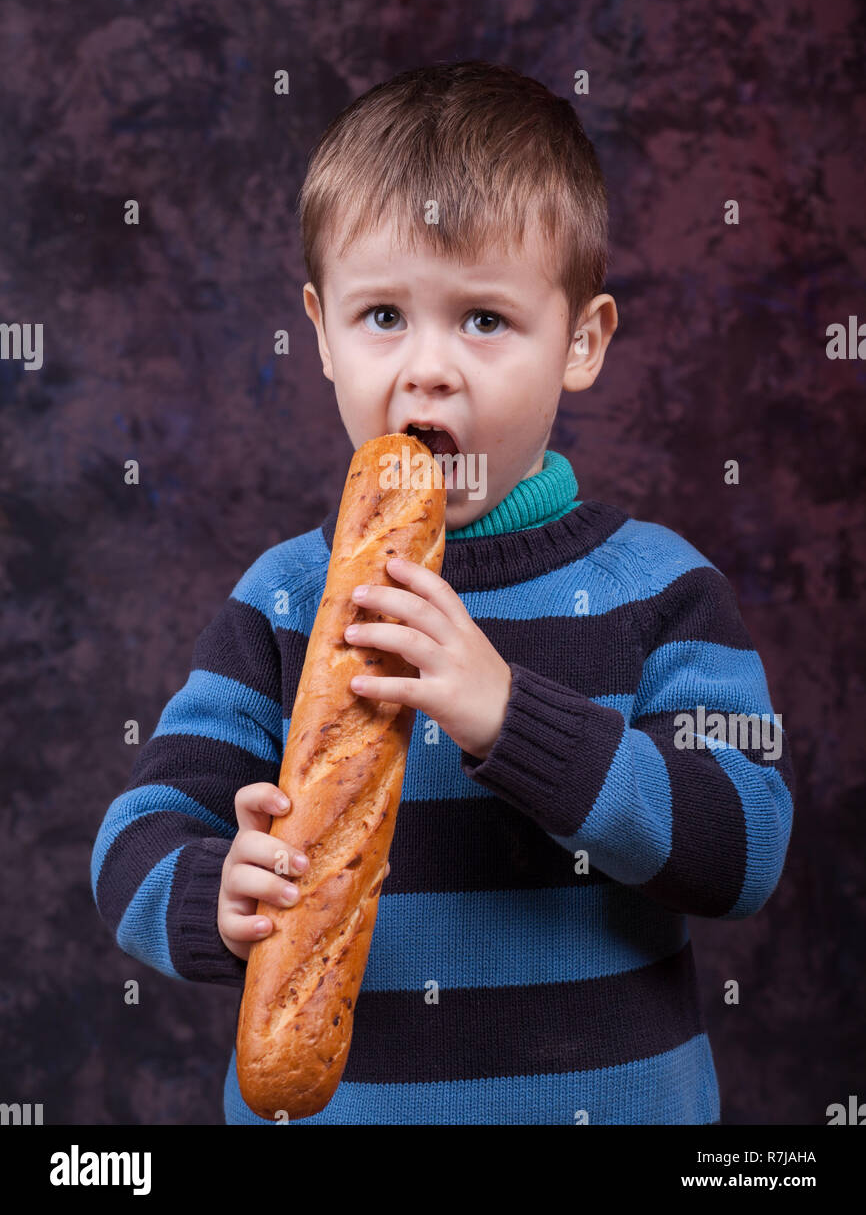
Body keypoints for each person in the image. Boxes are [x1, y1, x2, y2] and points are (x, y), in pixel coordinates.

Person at [91, 59, 794, 1124]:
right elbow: (137, 830)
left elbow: (743, 841)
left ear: (582, 343)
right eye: (382, 317)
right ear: (320, 333)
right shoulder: (284, 601)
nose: (427, 369)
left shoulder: (656, 588)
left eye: (482, 320)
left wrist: (512, 716)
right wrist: (208, 891)